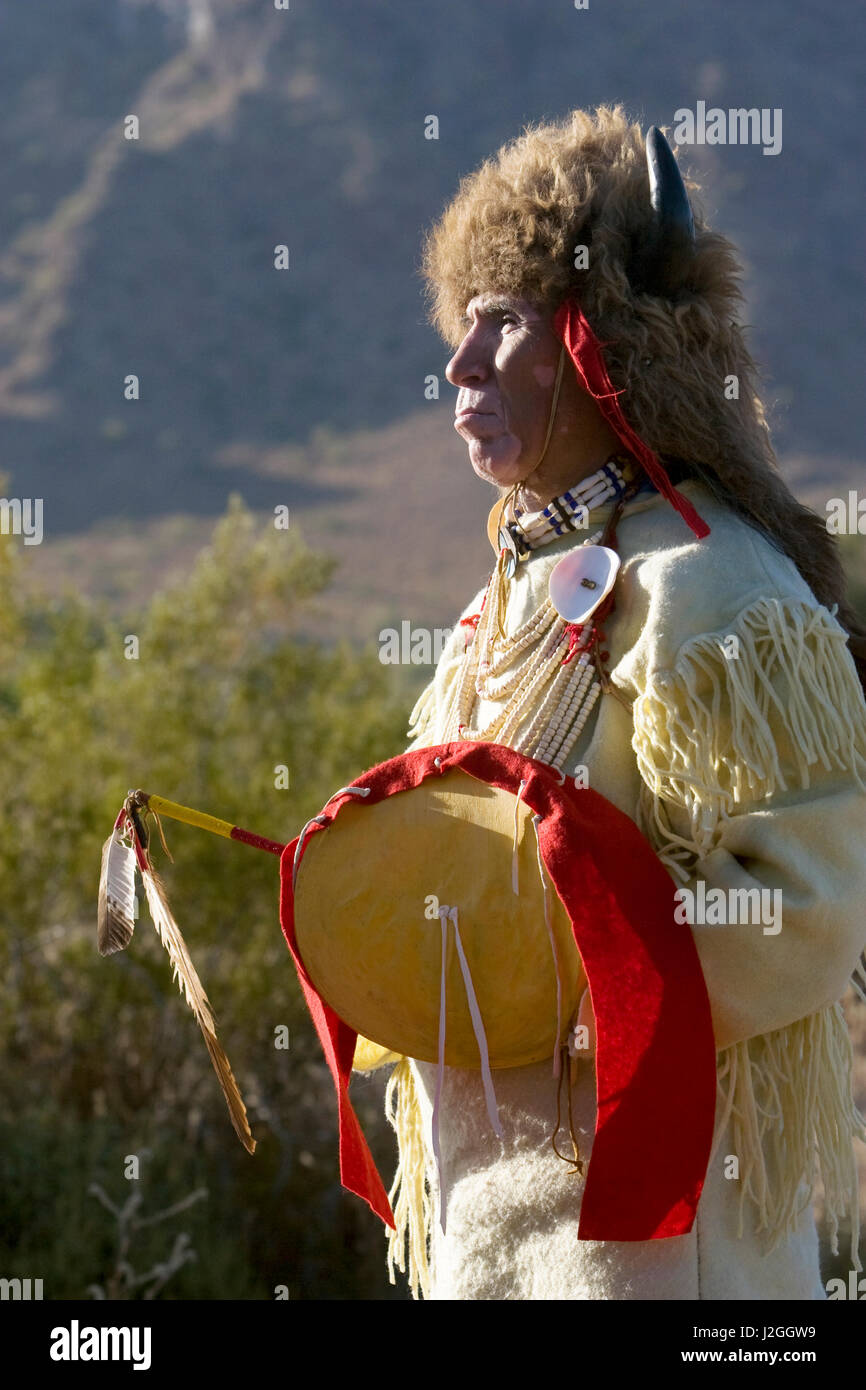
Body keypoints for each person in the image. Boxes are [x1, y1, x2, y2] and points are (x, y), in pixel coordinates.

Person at [350, 105, 866, 1301]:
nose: (459, 364)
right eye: (458, 324)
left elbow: (805, 904)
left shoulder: (716, 589)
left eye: (501, 321)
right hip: (494, 1229)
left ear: (595, 341)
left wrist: (566, 987)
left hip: (661, 1246)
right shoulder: (498, 607)